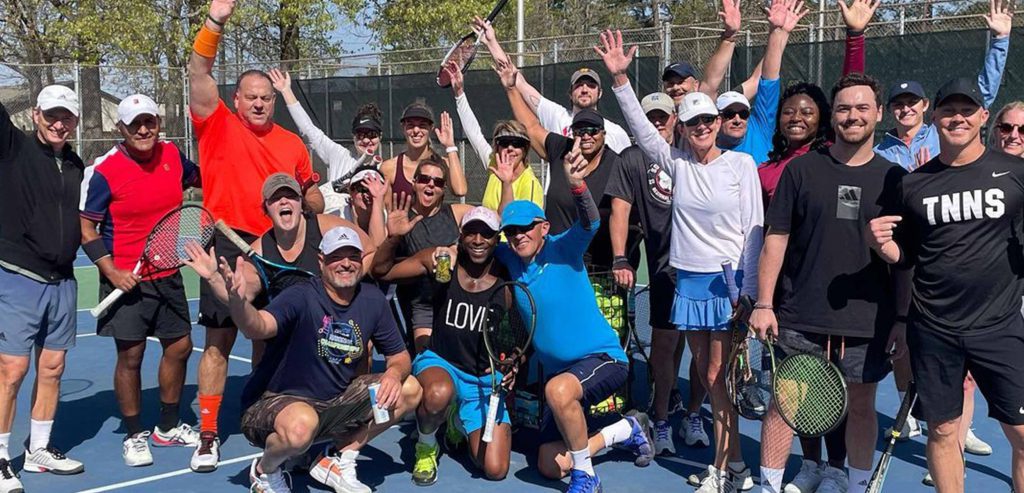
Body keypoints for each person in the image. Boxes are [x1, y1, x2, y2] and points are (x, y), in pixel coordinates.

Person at [602, 30, 762, 493]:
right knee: (708, 377)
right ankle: (729, 467)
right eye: (693, 124)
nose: (702, 128)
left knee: (717, 377)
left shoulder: (742, 167)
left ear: (717, 121)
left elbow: (754, 229)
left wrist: (749, 293)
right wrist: (619, 80)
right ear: (682, 128)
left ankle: (726, 466)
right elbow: (637, 125)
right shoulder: (673, 163)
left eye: (708, 121)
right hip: (688, 284)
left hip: (728, 287)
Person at [751, 73, 908, 493]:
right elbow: (776, 238)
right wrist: (764, 303)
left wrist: (902, 319)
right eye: (843, 108)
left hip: (867, 320)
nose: (852, 116)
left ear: (878, 113)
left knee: (860, 407)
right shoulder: (801, 170)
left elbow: (905, 258)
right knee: (784, 406)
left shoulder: (896, 178)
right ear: (831, 116)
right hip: (799, 314)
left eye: (861, 108)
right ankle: (769, 485)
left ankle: (854, 485)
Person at [868, 77, 1024, 493]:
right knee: (941, 430)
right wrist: (883, 247)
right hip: (935, 329)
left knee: (1022, 433)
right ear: (933, 117)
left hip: (1000, 327)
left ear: (983, 117)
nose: (958, 118)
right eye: (949, 110)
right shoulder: (912, 184)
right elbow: (908, 256)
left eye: (967, 110)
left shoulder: (1015, 173)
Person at [188, 0, 323, 472]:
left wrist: (318, 205)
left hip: (277, 246)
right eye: (251, 95)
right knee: (219, 341)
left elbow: (313, 197)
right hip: (227, 241)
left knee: (270, 340)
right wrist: (215, 21)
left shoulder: (291, 143)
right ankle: (208, 434)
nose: (260, 102)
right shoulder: (216, 123)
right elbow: (199, 72)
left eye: (266, 95)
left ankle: (265, 418)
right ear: (238, 99)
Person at [215, 225, 422, 493]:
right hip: (273, 403)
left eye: (353, 257)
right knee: (302, 426)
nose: (346, 264)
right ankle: (264, 470)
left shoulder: (373, 300)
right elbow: (258, 326)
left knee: (410, 388)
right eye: (337, 257)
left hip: (335, 401)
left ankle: (337, 457)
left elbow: (399, 356)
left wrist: (393, 374)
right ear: (321, 261)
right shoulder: (301, 295)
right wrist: (238, 303)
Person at [494, 181, 652, 490]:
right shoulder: (511, 258)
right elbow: (481, 236)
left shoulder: (562, 247)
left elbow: (591, 221)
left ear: (545, 227)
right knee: (549, 465)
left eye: (528, 227)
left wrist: (579, 186)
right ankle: (625, 429)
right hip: (561, 376)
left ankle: (586, 478)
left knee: (558, 391)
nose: (519, 234)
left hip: (603, 358)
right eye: (512, 231)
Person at [80, 94, 202, 468]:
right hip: (126, 277)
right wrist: (112, 271)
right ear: (122, 129)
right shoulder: (104, 170)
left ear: (159, 124)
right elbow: (87, 227)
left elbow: (201, 184)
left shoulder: (173, 158)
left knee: (180, 347)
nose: (144, 130)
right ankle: (134, 435)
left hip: (168, 273)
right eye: (135, 124)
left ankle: (167, 425)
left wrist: (191, 237)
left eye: (149, 122)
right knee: (130, 357)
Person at [605, 92, 711, 458]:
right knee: (665, 348)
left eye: (663, 116)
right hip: (666, 271)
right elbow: (620, 209)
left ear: (675, 119)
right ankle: (662, 418)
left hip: (706, 272)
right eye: (650, 116)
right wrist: (621, 257)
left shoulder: (696, 150)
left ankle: (694, 414)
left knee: (704, 352)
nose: (656, 122)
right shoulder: (632, 158)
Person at [375, 207, 514, 485]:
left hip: (483, 380)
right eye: (471, 232)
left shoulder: (509, 277)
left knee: (494, 469)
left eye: (486, 234)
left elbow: (520, 332)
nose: (478, 240)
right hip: (441, 363)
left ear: (496, 239)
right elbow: (383, 271)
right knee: (438, 392)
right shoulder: (440, 261)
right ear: (460, 236)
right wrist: (393, 238)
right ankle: (426, 446)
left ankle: (456, 420)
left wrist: (513, 362)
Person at [0, 84, 86, 491]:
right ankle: (0, 457)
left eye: (66, 116)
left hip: (63, 280)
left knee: (52, 368)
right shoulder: (12, 147)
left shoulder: (75, 164)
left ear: (75, 121)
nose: (58, 123)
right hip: (19, 277)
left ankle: (38, 451)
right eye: (51, 115)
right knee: (12, 371)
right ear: (35, 114)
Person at [496, 57, 631, 272]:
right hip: (554, 258)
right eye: (580, 131)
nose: (586, 136)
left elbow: (621, 214)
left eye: (592, 130)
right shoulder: (561, 148)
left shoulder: (616, 164)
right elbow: (530, 126)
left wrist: (620, 259)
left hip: (596, 268)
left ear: (603, 134)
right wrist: (511, 88)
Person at [873, 0, 1013, 171]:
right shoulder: (878, 153)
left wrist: (1000, 41)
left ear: (925, 105)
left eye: (912, 102)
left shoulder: (942, 131)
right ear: (888, 110)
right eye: (898, 104)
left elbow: (983, 92)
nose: (906, 109)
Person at [476, 17, 631, 154]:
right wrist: (491, 42)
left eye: (591, 85)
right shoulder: (557, 116)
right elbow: (517, 80)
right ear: (570, 93)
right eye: (579, 85)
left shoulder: (616, 133)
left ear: (600, 93)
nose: (584, 89)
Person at [371, 160, 474, 353]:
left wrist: (456, 247)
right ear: (414, 182)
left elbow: (493, 225)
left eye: (438, 182)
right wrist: (393, 236)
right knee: (426, 358)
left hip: (456, 301)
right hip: (421, 304)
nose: (430, 185)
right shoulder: (400, 217)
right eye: (424, 179)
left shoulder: (456, 213)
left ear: (444, 189)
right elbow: (376, 260)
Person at [266, 69, 385, 219]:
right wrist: (286, 90)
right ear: (353, 137)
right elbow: (308, 131)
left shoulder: (385, 170)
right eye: (361, 135)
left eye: (372, 135)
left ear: (380, 136)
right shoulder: (339, 155)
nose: (367, 140)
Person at [715, 0, 806, 165]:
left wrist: (778, 32)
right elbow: (710, 85)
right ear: (716, 119)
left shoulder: (759, 127)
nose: (737, 119)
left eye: (743, 113)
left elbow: (766, 79)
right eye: (729, 114)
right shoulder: (706, 143)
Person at [445, 61, 543, 211]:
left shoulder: (529, 184)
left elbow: (523, 228)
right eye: (504, 142)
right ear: (497, 147)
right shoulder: (494, 163)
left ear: (525, 149)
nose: (510, 148)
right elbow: (475, 135)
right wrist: (459, 93)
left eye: (516, 143)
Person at [379, 102, 467, 201]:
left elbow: (460, 191)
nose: (416, 130)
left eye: (422, 125)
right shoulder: (389, 168)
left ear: (431, 128)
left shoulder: (443, 164)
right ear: (403, 128)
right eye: (410, 125)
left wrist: (450, 146)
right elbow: (386, 209)